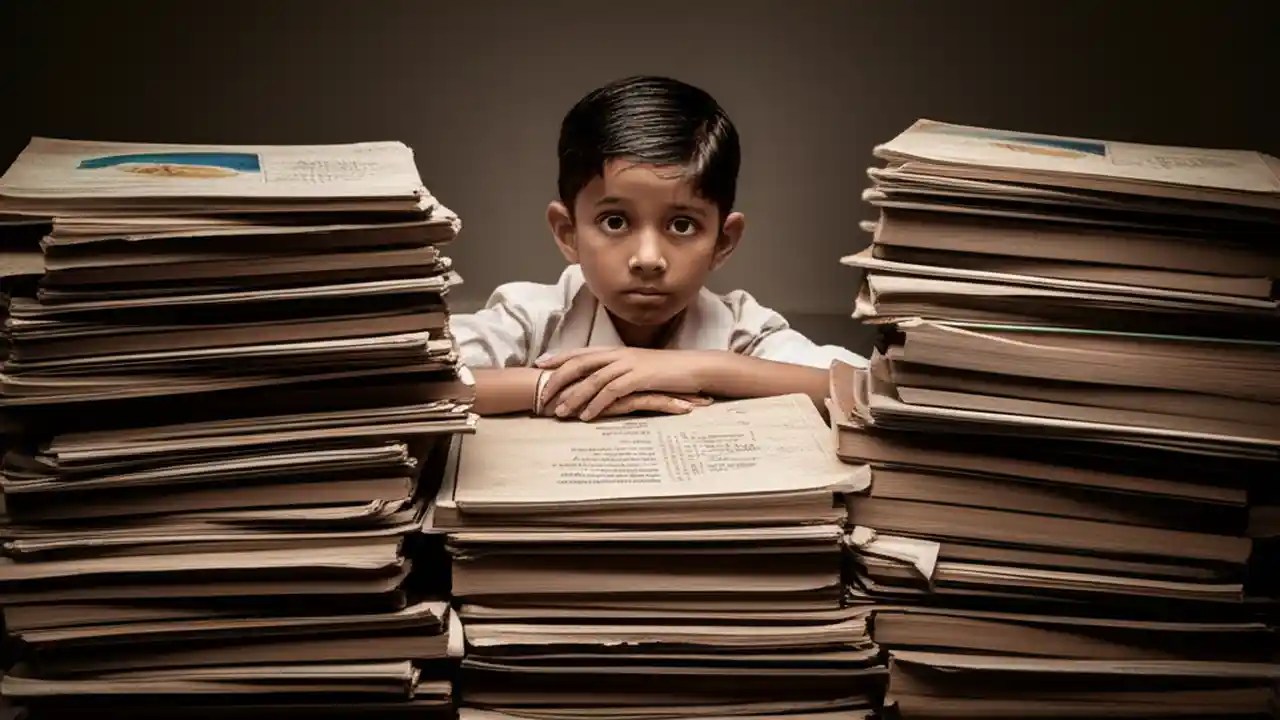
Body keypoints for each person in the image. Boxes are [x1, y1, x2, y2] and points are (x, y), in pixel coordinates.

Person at [451, 75, 866, 420]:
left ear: (723, 242)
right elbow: (402, 387)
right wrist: (545, 387)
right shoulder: (534, 317)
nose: (648, 258)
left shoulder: (741, 329)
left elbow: (869, 391)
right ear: (568, 232)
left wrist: (702, 368)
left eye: (682, 225)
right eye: (615, 221)